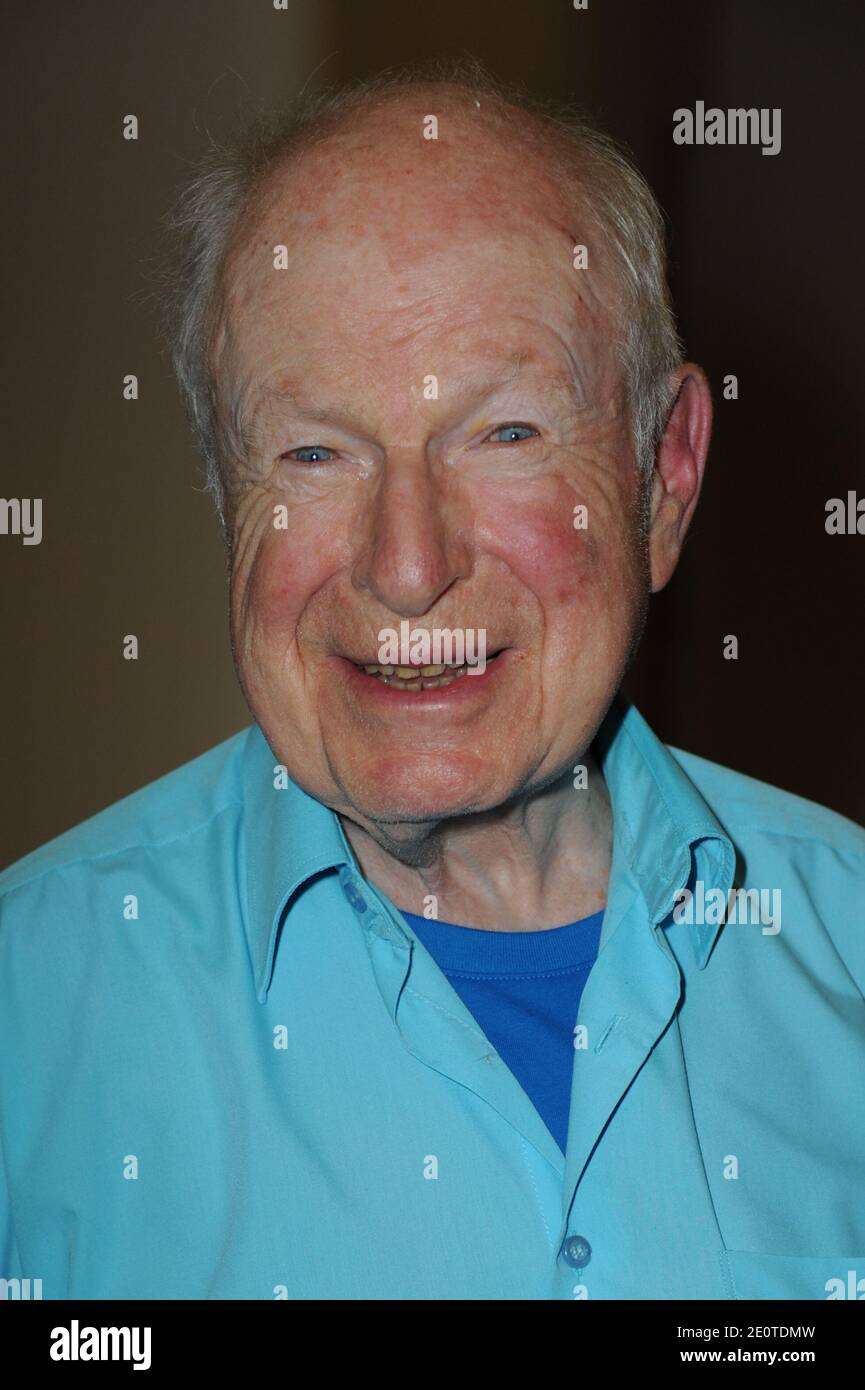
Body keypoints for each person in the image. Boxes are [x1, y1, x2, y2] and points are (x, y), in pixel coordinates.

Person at [2, 64, 863, 1302]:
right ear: (222, 496)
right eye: (311, 450)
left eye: (505, 433)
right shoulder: (28, 1023)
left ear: (663, 478)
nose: (406, 567)